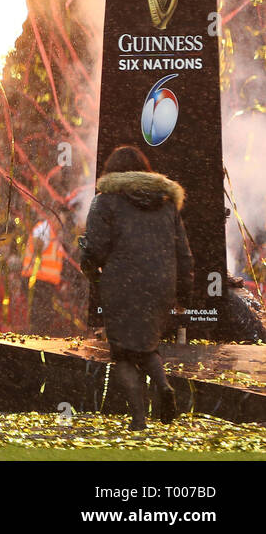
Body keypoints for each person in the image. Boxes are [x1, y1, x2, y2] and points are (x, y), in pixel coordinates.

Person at [81, 146, 193, 431]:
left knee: (122, 352)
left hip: (122, 283)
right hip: (160, 284)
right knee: (147, 345)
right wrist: (183, 290)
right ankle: (163, 385)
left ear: (111, 171)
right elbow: (184, 252)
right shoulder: (167, 204)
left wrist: (90, 265)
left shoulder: (105, 202)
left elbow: (96, 247)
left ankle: (139, 420)